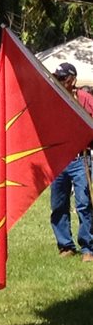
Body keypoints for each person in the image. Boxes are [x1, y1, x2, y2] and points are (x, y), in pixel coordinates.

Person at [48, 63, 93, 260]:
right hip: (58, 159)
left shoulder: (85, 99)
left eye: (62, 78)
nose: (58, 81)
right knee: (58, 204)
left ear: (72, 79)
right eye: (57, 78)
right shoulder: (51, 99)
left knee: (84, 203)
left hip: (80, 158)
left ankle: (88, 247)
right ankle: (65, 245)